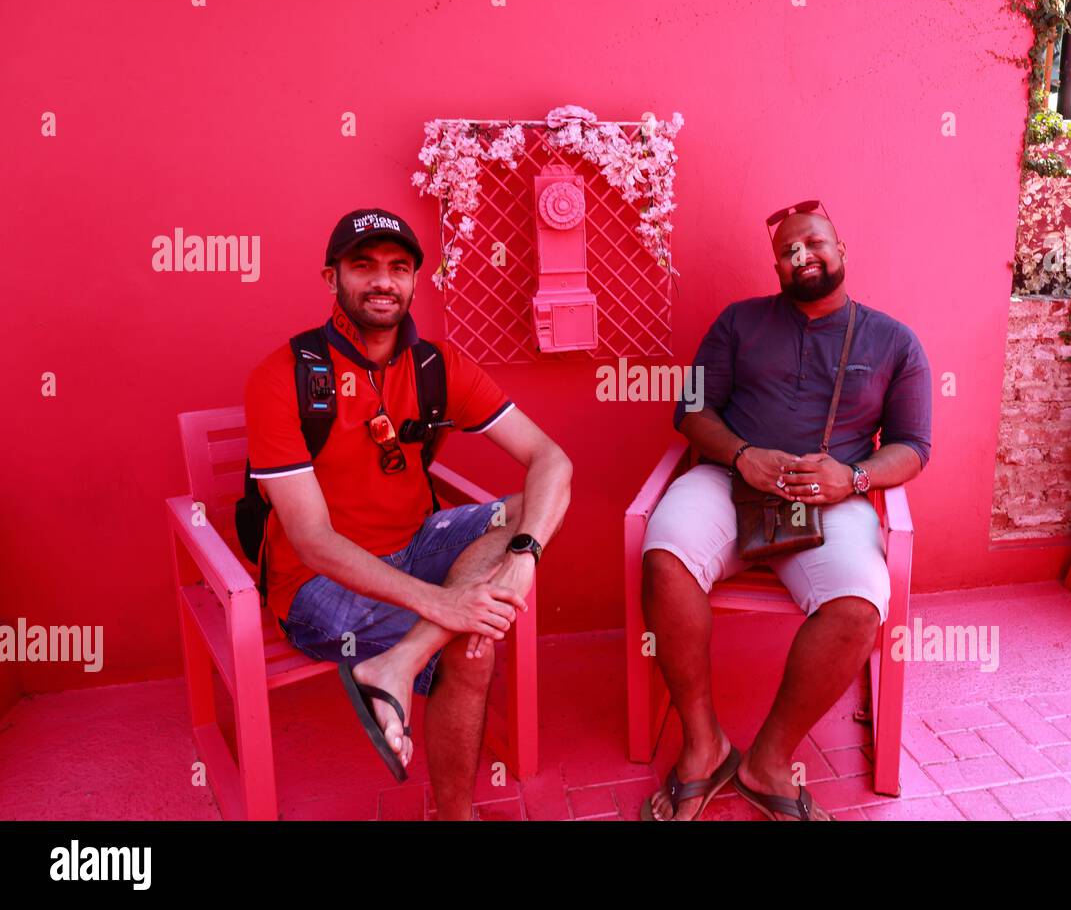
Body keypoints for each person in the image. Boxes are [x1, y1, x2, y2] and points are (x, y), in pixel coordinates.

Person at [244, 208, 571, 820]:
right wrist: (444, 604)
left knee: (528, 510)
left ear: (417, 280)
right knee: (472, 644)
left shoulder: (436, 367)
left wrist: (523, 559)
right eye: (363, 265)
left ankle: (395, 665)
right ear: (331, 277)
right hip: (316, 582)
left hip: (418, 543)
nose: (382, 281)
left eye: (398, 267)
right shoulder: (282, 377)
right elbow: (312, 540)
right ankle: (457, 816)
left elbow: (551, 459)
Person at [639, 200, 932, 821]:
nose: (802, 255)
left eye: (814, 242)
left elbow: (913, 447)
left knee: (858, 605)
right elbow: (691, 410)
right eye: (788, 251)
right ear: (776, 266)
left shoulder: (894, 341)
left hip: (832, 499)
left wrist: (852, 477)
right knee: (665, 556)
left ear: (840, 248)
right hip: (731, 480)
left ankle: (767, 762)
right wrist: (742, 455)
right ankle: (704, 745)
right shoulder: (737, 323)